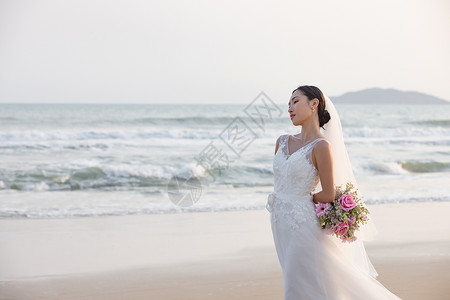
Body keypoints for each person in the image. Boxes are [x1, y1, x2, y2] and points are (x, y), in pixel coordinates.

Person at [266, 85, 401, 299]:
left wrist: (303, 199)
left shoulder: (321, 147)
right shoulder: (282, 142)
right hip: (279, 222)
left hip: (302, 223)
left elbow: (328, 193)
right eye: (288, 104)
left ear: (314, 104)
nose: (290, 108)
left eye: (295, 101)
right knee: (305, 282)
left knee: (295, 285)